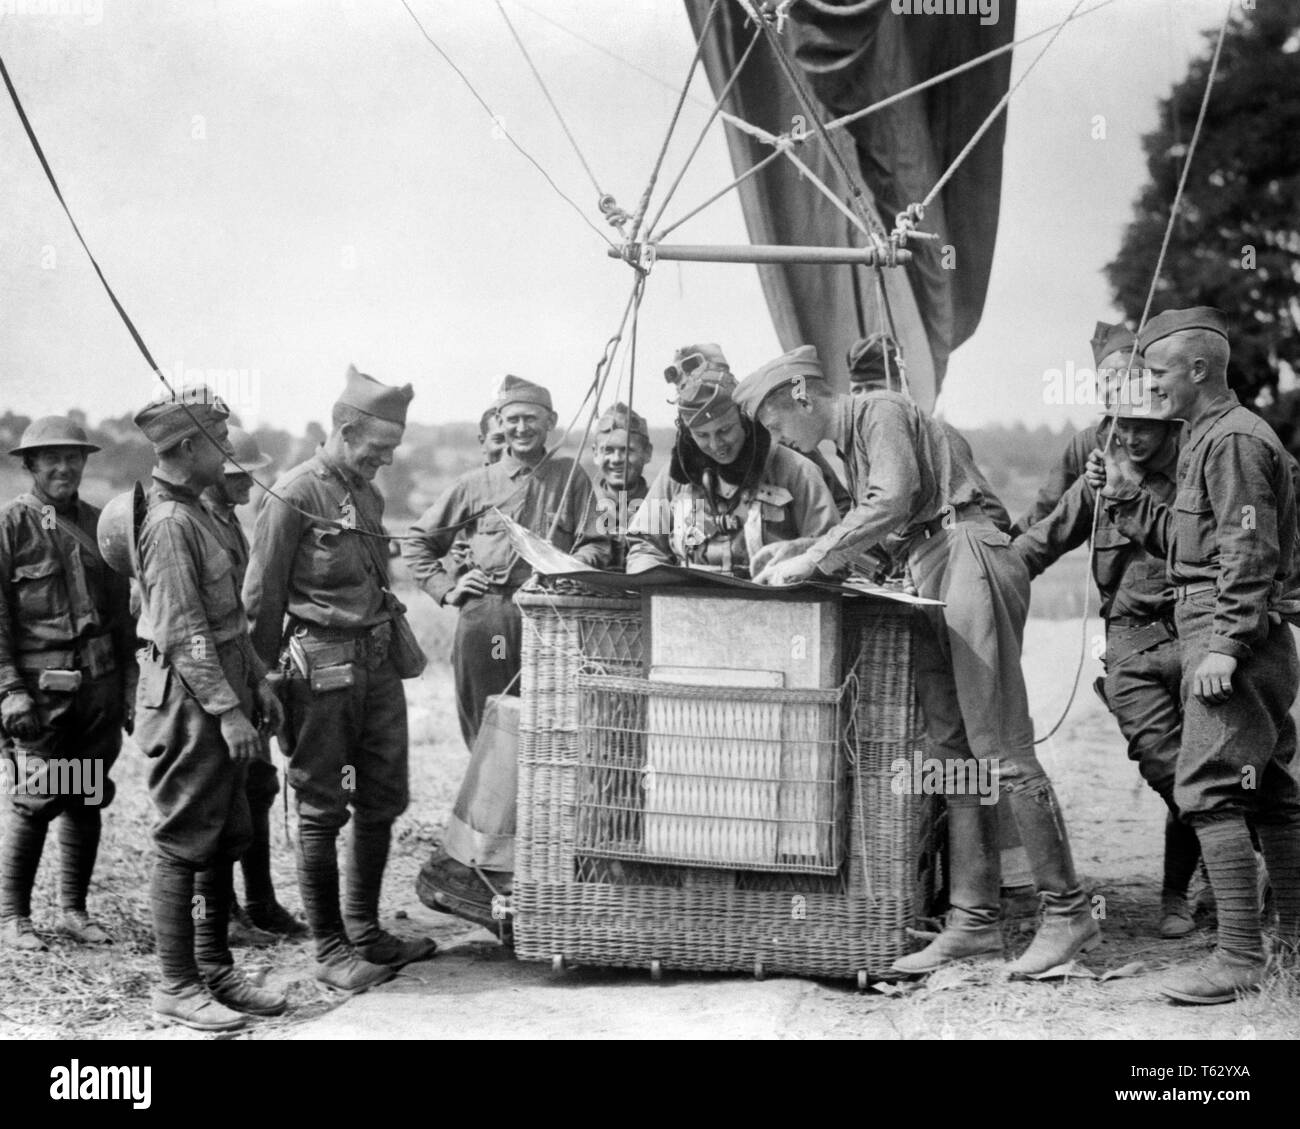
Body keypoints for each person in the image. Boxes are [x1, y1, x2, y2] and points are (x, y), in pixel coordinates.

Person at [737, 346, 1100, 977]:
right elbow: (880, 528)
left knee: (1001, 746)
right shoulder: (849, 448)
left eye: (775, 425)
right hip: (930, 567)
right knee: (952, 753)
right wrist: (801, 546)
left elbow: (897, 498)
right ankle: (973, 921)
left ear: (800, 393)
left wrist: (814, 559)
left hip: (969, 553)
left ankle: (1069, 911)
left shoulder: (878, 410)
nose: (779, 441)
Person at [1097, 307, 1300, 1003]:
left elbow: (1250, 551)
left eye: (1156, 375)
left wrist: (1226, 643)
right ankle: (1291, 953)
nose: (1149, 389)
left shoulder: (1235, 441)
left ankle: (1240, 956)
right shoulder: (1207, 439)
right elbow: (1193, 548)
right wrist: (1125, 501)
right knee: (1270, 790)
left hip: (1231, 639)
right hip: (1229, 631)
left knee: (1210, 789)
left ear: (1197, 370)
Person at [244, 366, 436, 995]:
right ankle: (329, 947)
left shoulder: (370, 496)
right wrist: (262, 680)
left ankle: (364, 928)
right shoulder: (293, 493)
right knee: (322, 809)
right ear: (345, 429)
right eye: (378, 447)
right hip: (318, 672)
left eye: (392, 449)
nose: (385, 459)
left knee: (383, 798)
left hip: (377, 666)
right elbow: (261, 598)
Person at [405, 374, 611, 930]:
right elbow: (417, 541)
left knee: (552, 742)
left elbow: (596, 539)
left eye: (531, 418)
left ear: (550, 422)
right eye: (510, 419)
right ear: (498, 425)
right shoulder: (476, 484)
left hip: (549, 621)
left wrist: (573, 564)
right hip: (488, 620)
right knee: (487, 746)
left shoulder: (571, 478)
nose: (520, 428)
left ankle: (540, 874)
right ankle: (480, 878)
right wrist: (448, 588)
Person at [1014, 354, 1200, 939]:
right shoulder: (1101, 478)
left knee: (1205, 767)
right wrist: (983, 574)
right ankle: (1237, 854)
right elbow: (1041, 542)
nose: (1132, 436)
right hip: (1131, 645)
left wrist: (1129, 497)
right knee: (1165, 764)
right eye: (1121, 424)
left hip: (1197, 638)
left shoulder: (1199, 476)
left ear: (1171, 426)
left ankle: (1179, 894)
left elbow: (1197, 549)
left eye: (1145, 425)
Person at [131, 387, 287, 1030]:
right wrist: (228, 710)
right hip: (190, 703)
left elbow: (228, 624)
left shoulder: (197, 514)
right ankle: (175, 982)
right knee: (186, 839)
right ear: (189, 447)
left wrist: (259, 682)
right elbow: (184, 630)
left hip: (220, 688)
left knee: (227, 833)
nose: (229, 453)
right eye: (220, 442)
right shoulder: (170, 524)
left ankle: (213, 966)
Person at [0, 418, 135, 952]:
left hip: (98, 687)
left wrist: (127, 689)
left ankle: (73, 912)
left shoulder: (101, 527)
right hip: (39, 692)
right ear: (30, 465)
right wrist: (9, 688)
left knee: (85, 796)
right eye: (50, 459)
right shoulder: (11, 525)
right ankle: (13, 917)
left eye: (72, 458)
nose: (63, 468)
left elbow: (123, 619)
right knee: (38, 798)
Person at [201, 427, 305, 941]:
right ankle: (217, 917)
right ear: (214, 475)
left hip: (244, 678)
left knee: (256, 788)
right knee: (217, 804)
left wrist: (261, 676)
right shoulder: (190, 525)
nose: (250, 485)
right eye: (240, 476)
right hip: (212, 686)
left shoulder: (230, 524)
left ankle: (258, 903)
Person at [625, 344, 839, 576]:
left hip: (774, 602)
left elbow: (833, 552)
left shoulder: (796, 470)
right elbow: (644, 545)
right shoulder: (674, 478)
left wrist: (795, 560)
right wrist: (649, 577)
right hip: (691, 605)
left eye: (725, 430)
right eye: (702, 435)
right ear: (687, 433)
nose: (717, 445)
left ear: (744, 419)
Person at [1008, 322, 1129, 537]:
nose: (1121, 386)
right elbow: (1046, 509)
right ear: (1098, 390)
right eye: (1110, 379)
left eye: (1132, 376)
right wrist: (1003, 551)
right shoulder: (1087, 444)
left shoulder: (1179, 436)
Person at [591, 401, 652, 571]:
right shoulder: (582, 504)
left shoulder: (660, 505)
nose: (617, 459)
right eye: (608, 450)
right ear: (595, 453)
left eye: (627, 451)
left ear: (647, 453)